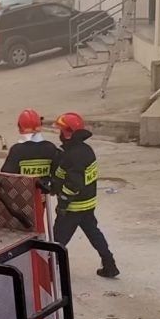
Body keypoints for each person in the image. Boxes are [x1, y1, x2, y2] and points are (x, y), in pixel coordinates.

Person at [50, 112, 120, 278]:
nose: (59, 134)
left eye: (61, 130)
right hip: (88, 204)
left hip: (73, 207)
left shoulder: (72, 155)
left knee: (57, 240)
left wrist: (63, 202)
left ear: (68, 133)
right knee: (94, 233)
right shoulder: (86, 150)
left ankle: (49, 272)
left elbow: (74, 184)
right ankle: (109, 264)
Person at [0, 109, 60, 178]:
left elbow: (6, 175)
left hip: (24, 185)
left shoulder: (17, 150)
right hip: (45, 185)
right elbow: (58, 174)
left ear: (20, 129)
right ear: (40, 127)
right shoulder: (51, 148)